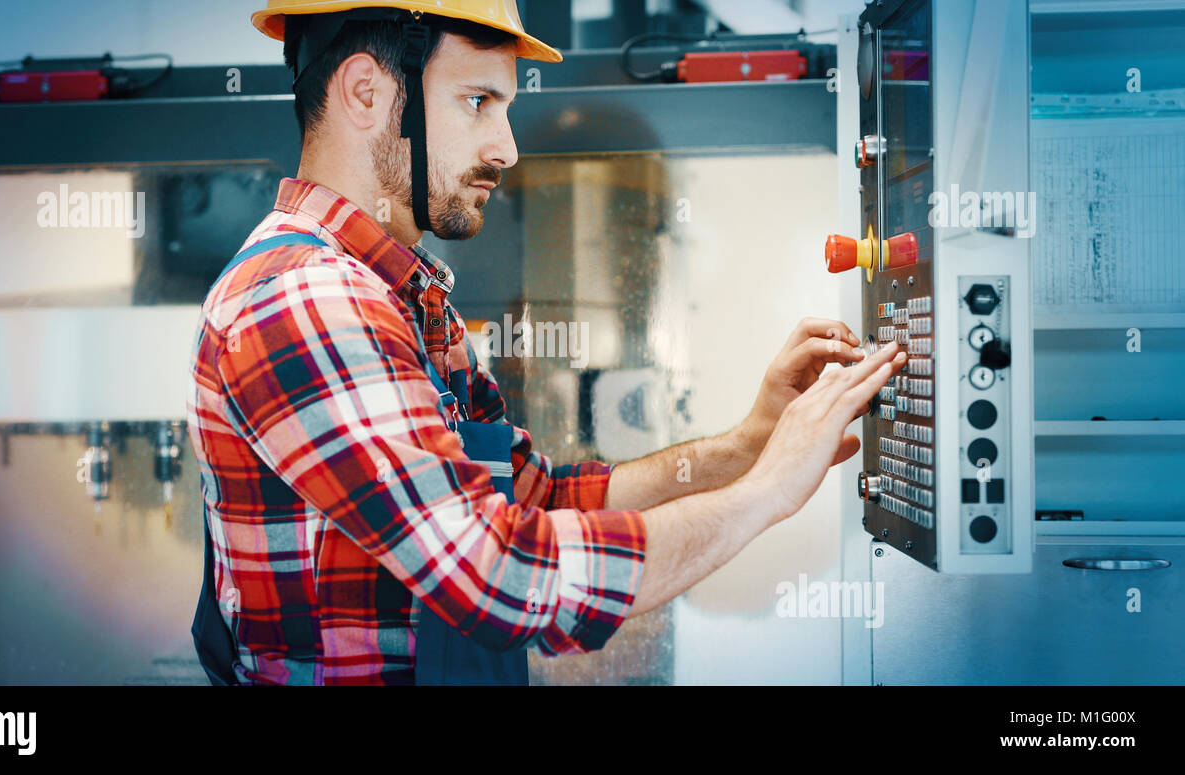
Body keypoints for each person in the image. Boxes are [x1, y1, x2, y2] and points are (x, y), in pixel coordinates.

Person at [187, 0, 907, 686]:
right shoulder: (308, 297)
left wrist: (748, 443)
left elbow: (543, 499)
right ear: (367, 92)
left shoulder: (402, 299)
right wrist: (769, 490)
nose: (507, 147)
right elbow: (499, 575)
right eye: (478, 102)